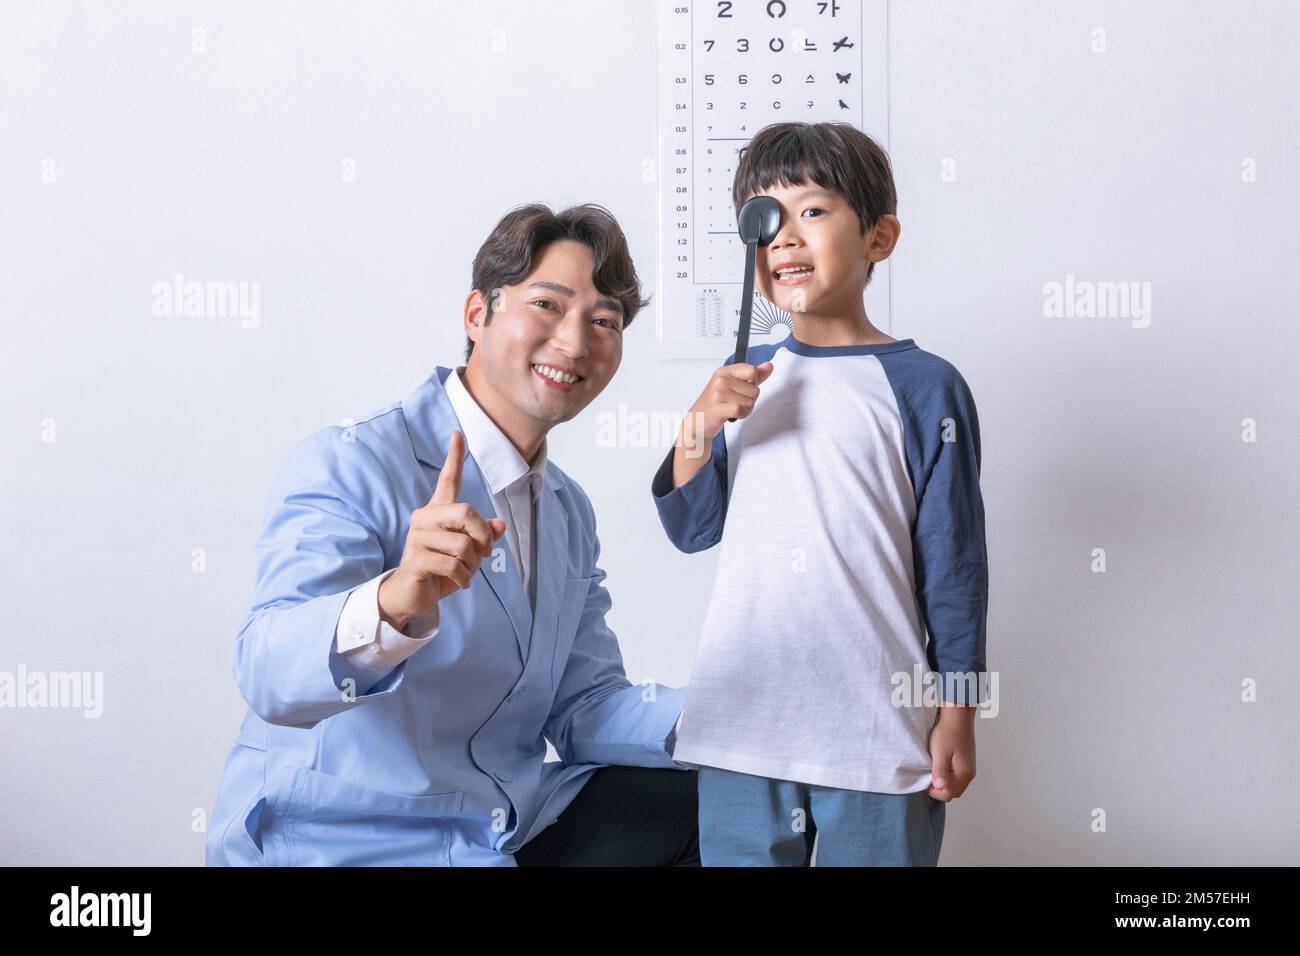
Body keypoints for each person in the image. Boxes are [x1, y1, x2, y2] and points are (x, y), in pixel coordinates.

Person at [206, 203, 697, 866]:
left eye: (604, 320)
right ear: (477, 314)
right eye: (547, 304)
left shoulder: (566, 508)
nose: (576, 342)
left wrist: (747, 715)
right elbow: (268, 675)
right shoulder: (351, 461)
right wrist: (393, 603)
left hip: (500, 828)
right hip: (339, 837)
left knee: (722, 798)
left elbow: (588, 709)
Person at [651, 121, 989, 866]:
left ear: (879, 237)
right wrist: (698, 425)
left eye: (812, 210)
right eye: (765, 218)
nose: (784, 238)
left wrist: (961, 712)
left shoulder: (925, 386)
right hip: (741, 726)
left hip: (876, 731)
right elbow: (692, 529)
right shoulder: (743, 378)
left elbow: (956, 567)